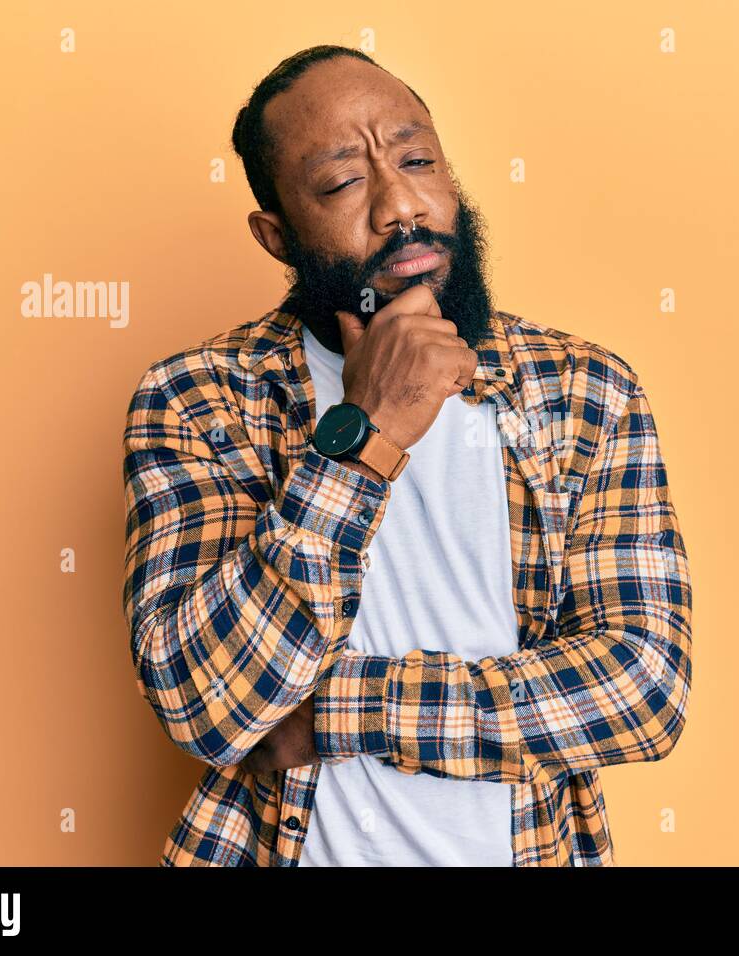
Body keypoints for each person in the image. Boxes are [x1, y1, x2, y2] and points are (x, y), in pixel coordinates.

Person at [121, 44, 693, 866]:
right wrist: (367, 432)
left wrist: (336, 715)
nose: (400, 205)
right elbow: (203, 702)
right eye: (343, 182)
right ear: (276, 235)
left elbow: (641, 691)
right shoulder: (198, 398)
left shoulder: (584, 390)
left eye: (418, 160)